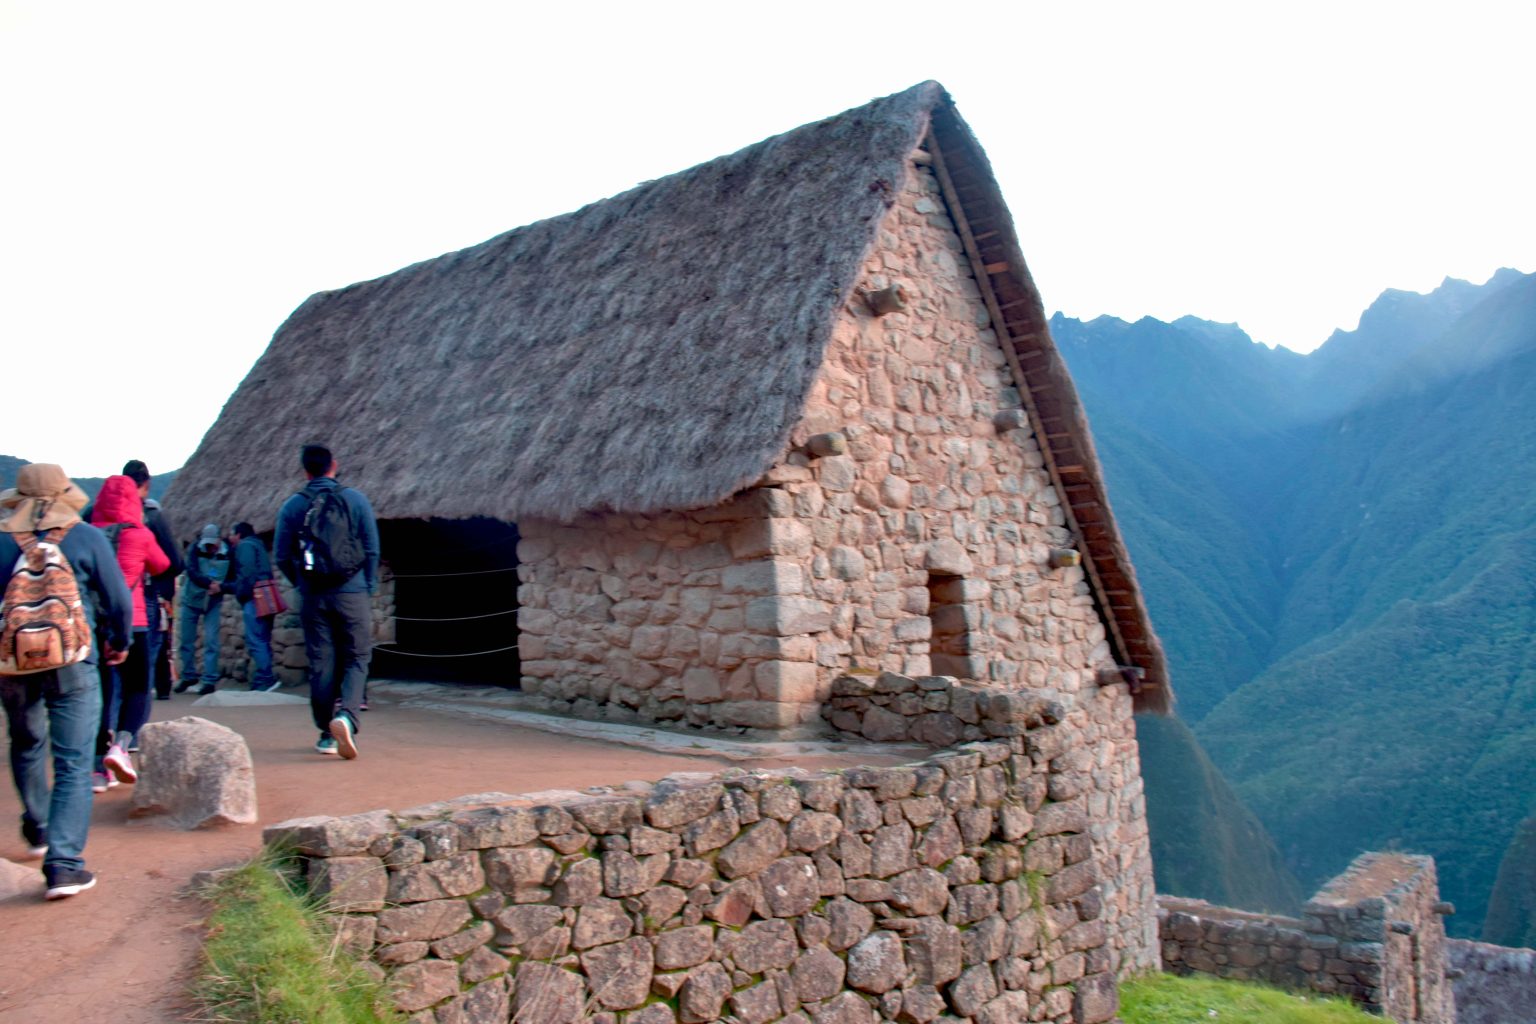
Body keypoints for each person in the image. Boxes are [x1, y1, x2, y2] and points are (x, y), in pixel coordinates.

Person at [0, 464, 133, 899]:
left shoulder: (2, 538)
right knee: (73, 759)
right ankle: (64, 865)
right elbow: (118, 600)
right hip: (73, 660)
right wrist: (119, 642)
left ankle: (38, 826)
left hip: (12, 665)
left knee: (26, 742)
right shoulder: (86, 536)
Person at [273, 444, 378, 759]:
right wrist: (366, 587)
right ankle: (347, 714)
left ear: (305, 471)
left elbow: (281, 555)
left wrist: (302, 583)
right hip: (352, 591)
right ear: (335, 465)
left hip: (313, 595)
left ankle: (326, 733)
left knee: (321, 661)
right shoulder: (355, 500)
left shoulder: (293, 506)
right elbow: (371, 548)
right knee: (357, 657)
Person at [89, 475, 171, 791]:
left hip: (95, 625)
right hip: (132, 621)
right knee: (138, 687)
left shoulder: (87, 535)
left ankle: (98, 769)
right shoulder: (141, 534)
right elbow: (162, 565)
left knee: (101, 692)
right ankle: (121, 746)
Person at [121, 461, 182, 702]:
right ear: (146, 483)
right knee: (145, 656)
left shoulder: (95, 514)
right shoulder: (151, 516)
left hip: (104, 597)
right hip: (144, 592)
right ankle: (139, 710)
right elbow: (174, 562)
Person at [175, 523, 231, 696]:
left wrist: (222, 587)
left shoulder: (229, 552)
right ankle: (188, 676)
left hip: (213, 602)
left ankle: (210, 680)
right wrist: (209, 584)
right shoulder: (195, 549)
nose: (210, 547)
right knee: (186, 640)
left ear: (219, 540)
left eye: (212, 544)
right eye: (207, 544)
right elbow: (192, 571)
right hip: (192, 599)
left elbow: (233, 576)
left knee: (212, 640)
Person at [227, 523, 279, 692]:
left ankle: (265, 679)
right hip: (266, 598)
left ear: (239, 535)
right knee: (263, 638)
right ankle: (263, 677)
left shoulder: (245, 546)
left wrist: (242, 594)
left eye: (232, 535)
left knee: (256, 639)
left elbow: (247, 573)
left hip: (255, 598)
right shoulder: (259, 546)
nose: (230, 538)